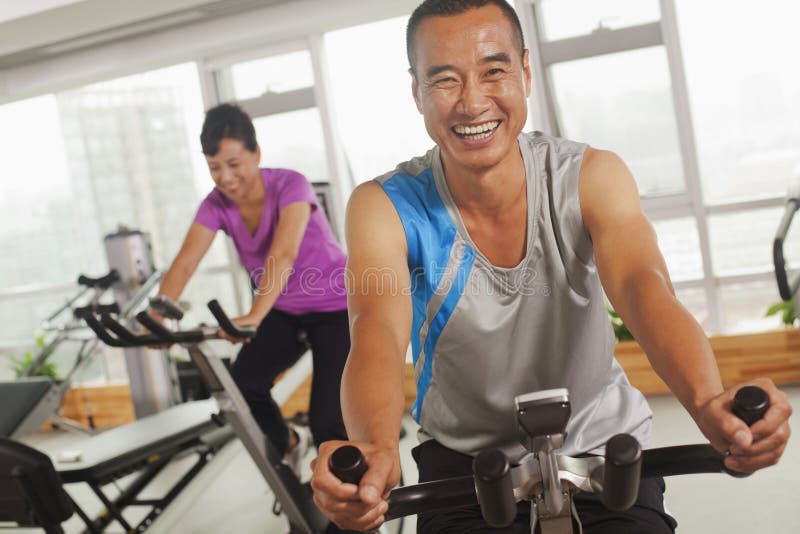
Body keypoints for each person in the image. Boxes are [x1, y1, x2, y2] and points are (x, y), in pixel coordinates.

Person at [309, 1, 793, 532]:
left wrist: (705, 399)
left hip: (601, 443)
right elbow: (375, 328)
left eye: (493, 71)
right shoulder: (384, 206)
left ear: (525, 72)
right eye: (444, 80)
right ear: (416, 92)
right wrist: (376, 447)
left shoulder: (590, 176)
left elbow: (642, 287)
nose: (472, 103)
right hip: (466, 460)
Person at [155, 103, 351, 478]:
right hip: (283, 309)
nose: (226, 178)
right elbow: (185, 261)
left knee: (328, 423)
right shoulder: (215, 205)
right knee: (242, 386)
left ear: (256, 154)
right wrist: (157, 315)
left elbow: (284, 251)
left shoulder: (291, 184)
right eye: (215, 168)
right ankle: (291, 444)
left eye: (234, 164)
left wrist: (254, 316)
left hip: (336, 306)